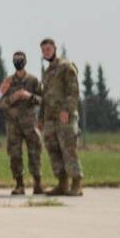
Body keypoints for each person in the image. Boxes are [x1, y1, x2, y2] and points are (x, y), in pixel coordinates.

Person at [39, 38, 83, 196]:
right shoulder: (47, 72)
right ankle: (62, 184)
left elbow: (73, 90)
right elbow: (44, 97)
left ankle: (76, 184)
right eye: (43, 50)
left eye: (48, 49)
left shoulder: (66, 66)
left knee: (68, 149)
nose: (46, 52)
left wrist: (67, 110)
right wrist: (41, 118)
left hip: (65, 117)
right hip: (50, 118)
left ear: (55, 48)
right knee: (53, 150)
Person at [0, 50, 44, 195]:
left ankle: (38, 184)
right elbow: (1, 103)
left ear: (25, 61)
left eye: (20, 59)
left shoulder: (33, 80)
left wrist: (29, 96)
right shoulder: (8, 81)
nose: (18, 62)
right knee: (15, 155)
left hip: (30, 124)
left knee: (35, 153)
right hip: (13, 126)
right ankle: (19, 185)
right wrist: (13, 97)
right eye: (15, 59)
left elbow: (43, 100)